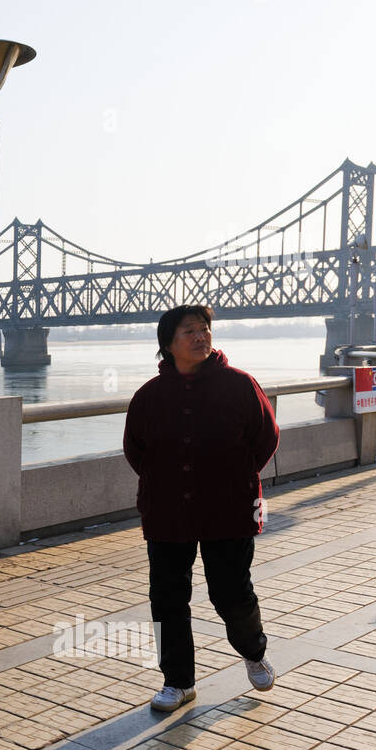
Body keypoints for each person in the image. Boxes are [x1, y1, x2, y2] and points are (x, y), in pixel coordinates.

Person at [122, 305, 280, 712]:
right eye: (189, 331)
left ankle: (253, 650)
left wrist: (238, 478)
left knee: (230, 591)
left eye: (204, 329)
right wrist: (167, 482)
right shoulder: (149, 396)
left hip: (228, 508)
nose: (200, 337)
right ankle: (178, 682)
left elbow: (266, 437)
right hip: (166, 511)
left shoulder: (240, 385)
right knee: (167, 597)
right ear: (168, 345)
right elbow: (135, 449)